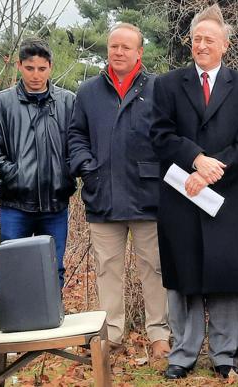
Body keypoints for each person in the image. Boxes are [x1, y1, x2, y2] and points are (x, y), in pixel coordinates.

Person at [150, 3, 238, 379]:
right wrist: (195, 160)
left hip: (225, 194)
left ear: (225, 45)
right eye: (196, 39)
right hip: (180, 193)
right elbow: (161, 135)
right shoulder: (167, 84)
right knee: (185, 275)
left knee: (226, 276)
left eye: (209, 39)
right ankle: (182, 353)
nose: (201, 45)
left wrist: (212, 172)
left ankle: (225, 353)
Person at [67, 23, 170, 359]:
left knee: (155, 268)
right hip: (103, 194)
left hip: (148, 195)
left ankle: (159, 334)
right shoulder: (88, 92)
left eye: (126, 47)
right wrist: (87, 167)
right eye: (114, 46)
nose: (119, 52)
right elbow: (76, 137)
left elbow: (171, 138)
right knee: (106, 268)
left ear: (139, 52)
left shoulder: (159, 89)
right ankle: (111, 334)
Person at [0, 39, 76, 286]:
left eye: (42, 69)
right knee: (13, 270)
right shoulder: (1, 103)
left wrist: (68, 173)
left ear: (50, 67)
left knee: (52, 270)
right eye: (30, 68)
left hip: (55, 205)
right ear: (19, 66)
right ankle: (18, 322)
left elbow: (80, 144)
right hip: (15, 205)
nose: (36, 75)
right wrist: (12, 174)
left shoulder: (68, 102)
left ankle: (50, 321)